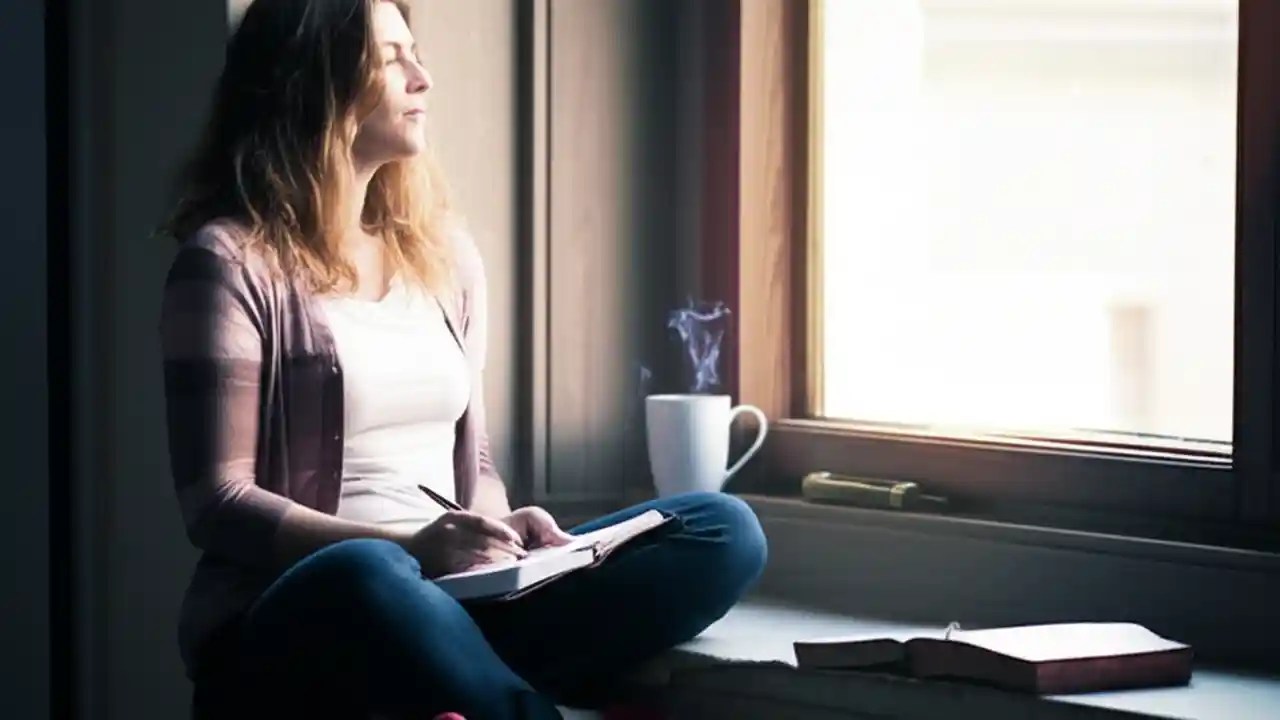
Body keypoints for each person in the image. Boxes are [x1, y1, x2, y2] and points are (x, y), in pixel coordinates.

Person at [158, 1, 767, 718]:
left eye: (415, 53)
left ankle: (464, 680)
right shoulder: (229, 264)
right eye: (392, 58)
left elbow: (472, 466)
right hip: (307, 617)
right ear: (312, 80)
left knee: (720, 528)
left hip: (453, 600)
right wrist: (412, 546)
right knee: (370, 569)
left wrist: (503, 536)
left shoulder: (442, 259)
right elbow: (218, 505)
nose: (423, 78)